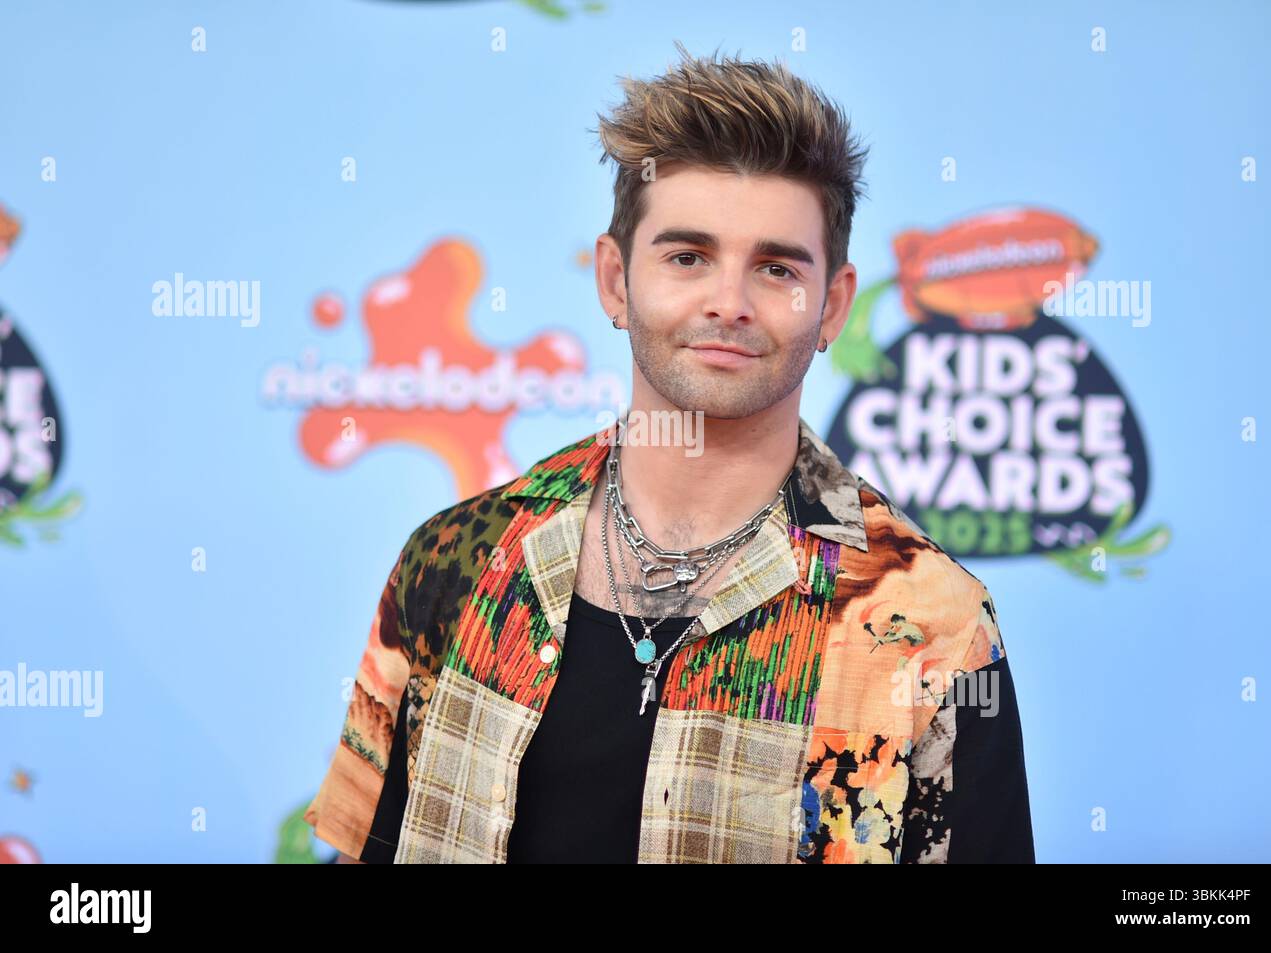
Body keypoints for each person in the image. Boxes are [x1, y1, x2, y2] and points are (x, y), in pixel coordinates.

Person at [303, 41, 1034, 864]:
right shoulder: (455, 560)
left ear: (832, 305)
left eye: (776, 268)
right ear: (615, 280)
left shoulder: (930, 624)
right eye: (688, 256)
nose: (729, 303)